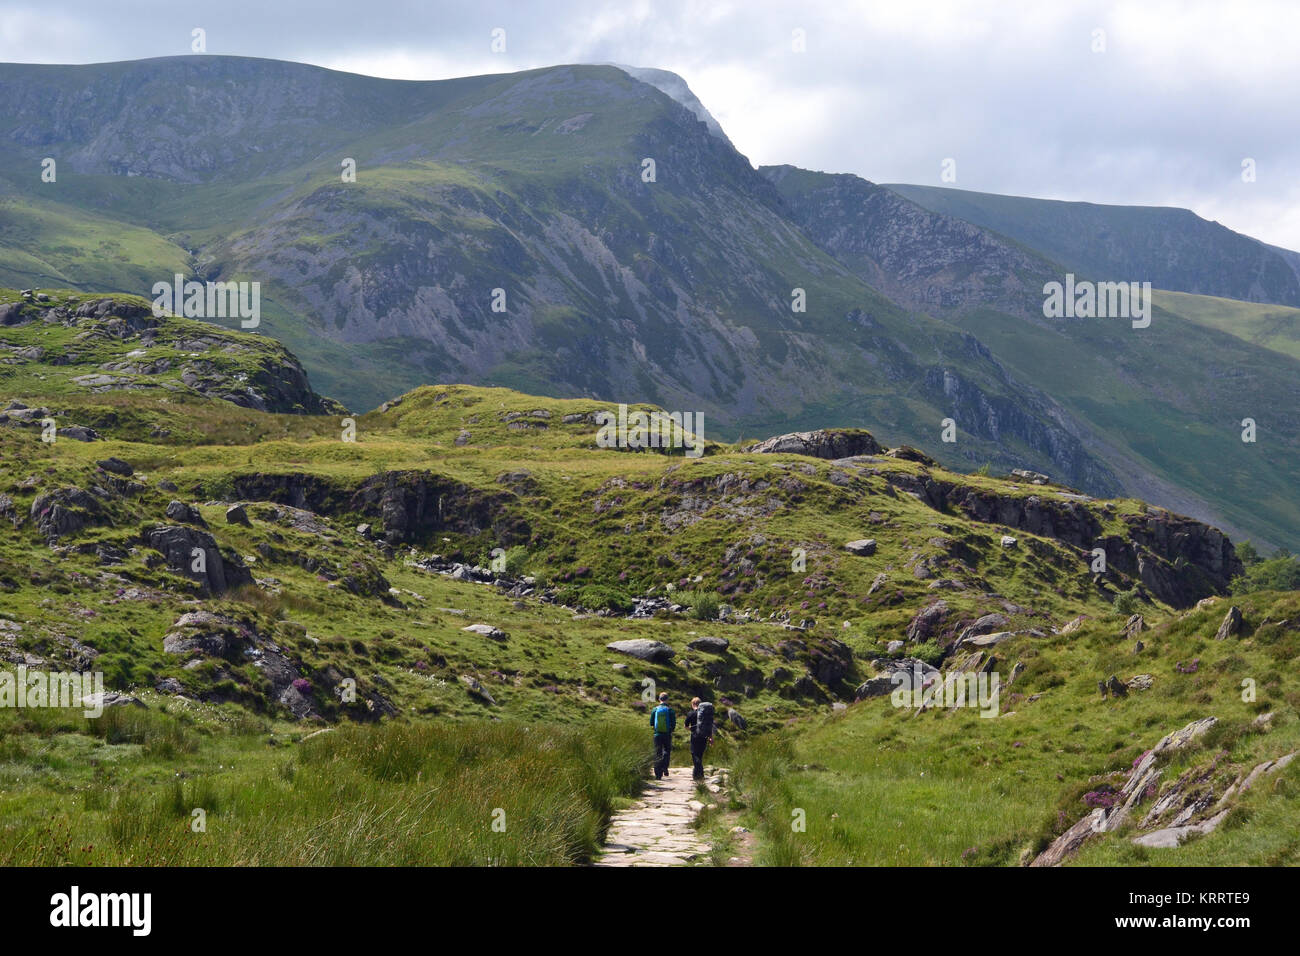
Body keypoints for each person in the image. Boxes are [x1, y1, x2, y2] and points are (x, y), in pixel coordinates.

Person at [684, 696, 715, 780]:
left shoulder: (691, 713)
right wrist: (711, 737)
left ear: (693, 704)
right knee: (700, 755)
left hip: (695, 736)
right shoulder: (705, 714)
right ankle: (696, 775)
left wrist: (690, 729)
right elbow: (710, 726)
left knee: (694, 754)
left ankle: (700, 774)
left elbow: (686, 726)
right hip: (705, 736)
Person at [649, 692, 675, 779]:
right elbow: (673, 723)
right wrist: (671, 730)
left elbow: (651, 723)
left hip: (657, 734)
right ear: (667, 700)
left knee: (657, 753)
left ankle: (658, 774)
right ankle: (665, 766)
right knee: (667, 750)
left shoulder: (655, 709)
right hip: (667, 734)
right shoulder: (670, 710)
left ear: (659, 699)